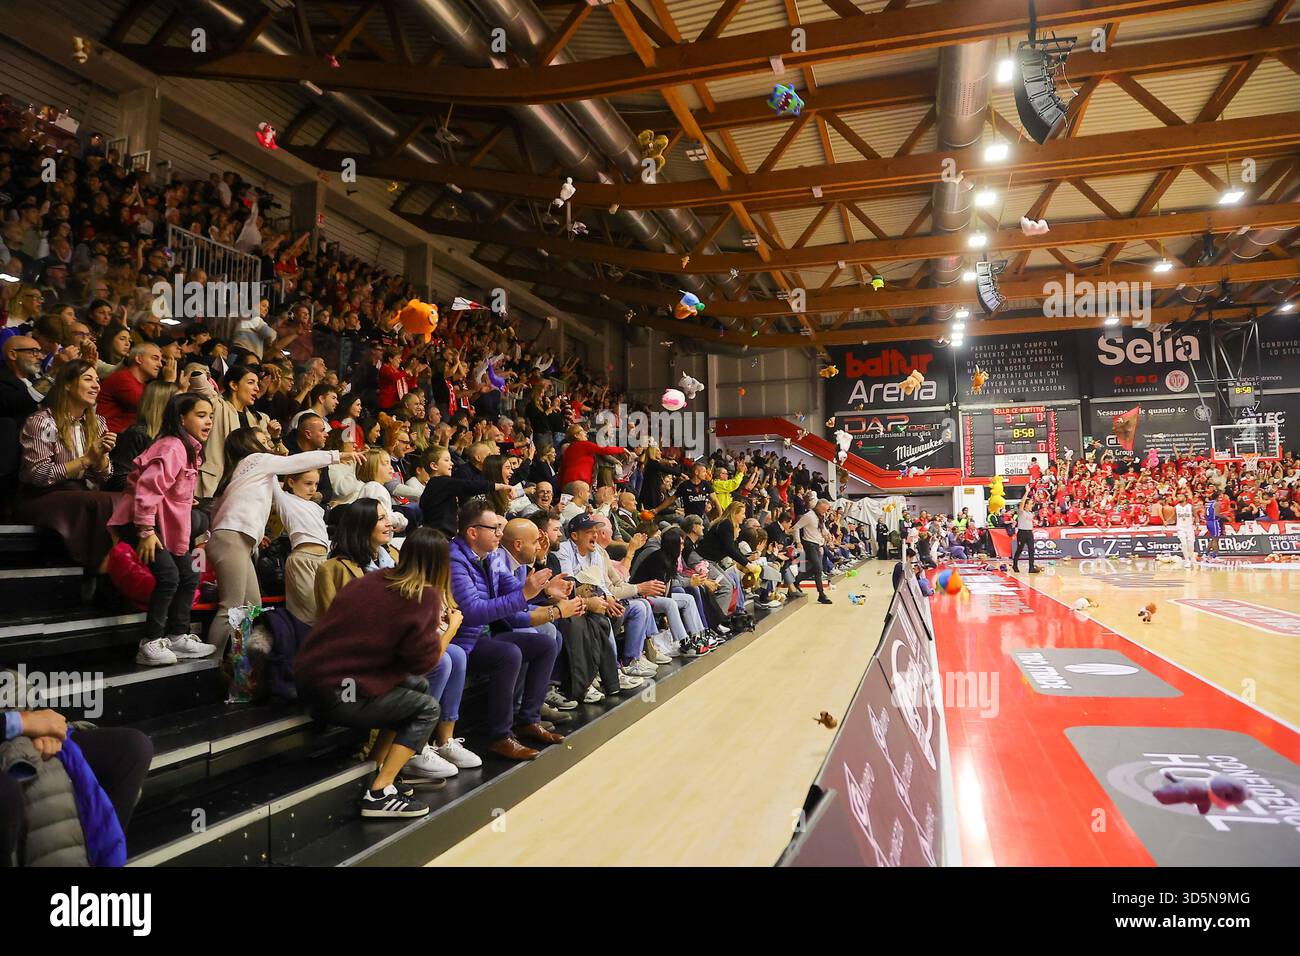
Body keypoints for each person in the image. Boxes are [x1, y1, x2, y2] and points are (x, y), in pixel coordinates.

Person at [294, 527, 448, 819]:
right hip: (338, 693)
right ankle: (378, 794)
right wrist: (449, 628)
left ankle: (376, 770)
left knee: (417, 688)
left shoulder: (371, 579)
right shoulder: (423, 595)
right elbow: (422, 662)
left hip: (310, 681)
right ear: (442, 564)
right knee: (427, 708)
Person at [204, 427, 355, 654]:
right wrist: (336, 456)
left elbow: (220, 512)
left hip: (233, 540)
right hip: (231, 540)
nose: (267, 445)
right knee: (231, 607)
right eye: (262, 440)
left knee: (253, 606)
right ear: (247, 444)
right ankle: (211, 664)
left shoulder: (241, 470)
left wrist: (255, 535)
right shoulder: (257, 460)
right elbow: (297, 462)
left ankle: (241, 661)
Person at [448, 498, 567, 761]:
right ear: (473, 532)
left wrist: (544, 591)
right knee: (509, 653)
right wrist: (527, 593)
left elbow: (514, 592)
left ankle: (528, 720)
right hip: (461, 640)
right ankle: (499, 737)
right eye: (494, 529)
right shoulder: (455, 560)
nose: (500, 534)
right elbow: (473, 611)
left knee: (546, 644)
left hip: (483, 634)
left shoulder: (491, 556)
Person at [108, 393, 219, 665]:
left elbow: (172, 489)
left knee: (189, 574)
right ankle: (149, 643)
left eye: (210, 416)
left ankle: (178, 636)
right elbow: (147, 489)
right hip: (141, 522)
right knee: (169, 576)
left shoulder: (189, 448)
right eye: (201, 415)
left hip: (164, 525)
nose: (208, 421)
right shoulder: (172, 447)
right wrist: (146, 531)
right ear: (181, 418)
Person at [1, 709, 153, 866]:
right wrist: (20, 724)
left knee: (133, 748)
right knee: (7, 791)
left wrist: (44, 726)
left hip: (19, 721)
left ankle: (102, 857)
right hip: (10, 731)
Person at [16, 360, 120, 572]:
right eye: (88, 379)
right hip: (42, 495)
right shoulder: (44, 422)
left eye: (98, 380)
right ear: (67, 384)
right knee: (106, 502)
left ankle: (112, 568)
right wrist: (86, 460)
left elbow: (105, 476)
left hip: (80, 493)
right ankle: (100, 572)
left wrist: (101, 458)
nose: (96, 385)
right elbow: (38, 474)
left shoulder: (98, 423)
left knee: (121, 500)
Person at [197, 364, 281, 500]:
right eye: (251, 382)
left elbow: (273, 457)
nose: (257, 388)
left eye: (257, 383)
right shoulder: (217, 406)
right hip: (215, 485)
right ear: (234, 385)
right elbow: (198, 381)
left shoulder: (260, 419)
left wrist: (275, 437)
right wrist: (205, 373)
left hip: (245, 488)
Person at [106, 379, 177, 491]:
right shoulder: (136, 434)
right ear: (163, 406)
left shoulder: (173, 436)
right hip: (134, 498)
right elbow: (119, 479)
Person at [95, 341, 162, 434]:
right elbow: (151, 408)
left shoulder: (144, 385)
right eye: (155, 358)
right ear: (138, 359)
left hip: (126, 436)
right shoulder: (122, 378)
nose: (160, 365)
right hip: (109, 437)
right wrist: (169, 381)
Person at [557, 422, 628, 488]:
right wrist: (622, 449)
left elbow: (562, 469)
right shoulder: (585, 444)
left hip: (567, 482)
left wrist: (560, 486)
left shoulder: (568, 449)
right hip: (580, 482)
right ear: (576, 435)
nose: (585, 432)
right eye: (582, 431)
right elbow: (604, 450)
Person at [794, 499, 833, 604]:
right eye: (824, 509)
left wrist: (827, 534)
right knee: (818, 569)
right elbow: (796, 527)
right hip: (809, 544)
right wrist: (798, 542)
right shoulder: (809, 516)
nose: (825, 512)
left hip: (817, 544)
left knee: (814, 569)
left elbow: (822, 528)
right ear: (819, 506)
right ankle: (821, 595)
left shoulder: (820, 516)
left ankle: (796, 581)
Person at [1012, 495, 1040, 573]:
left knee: (1031, 550)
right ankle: (1015, 565)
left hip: (1029, 533)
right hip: (1022, 533)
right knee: (1019, 549)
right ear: (1026, 505)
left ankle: (1031, 568)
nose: (1032, 505)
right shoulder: (1021, 512)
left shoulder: (1030, 514)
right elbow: (1022, 502)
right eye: (1030, 504)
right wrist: (1027, 492)